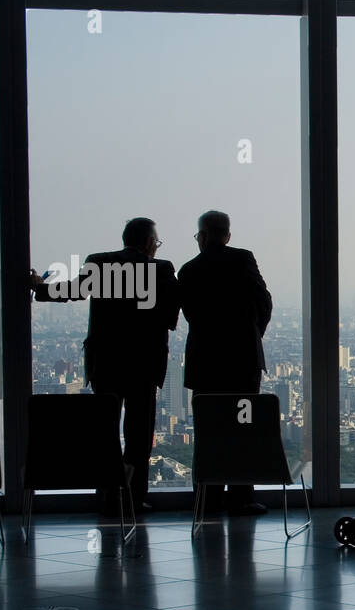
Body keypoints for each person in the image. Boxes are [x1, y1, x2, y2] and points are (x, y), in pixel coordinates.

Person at [29, 217, 181, 513]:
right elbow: (171, 313)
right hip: (143, 363)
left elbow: (73, 291)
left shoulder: (99, 263)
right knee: (139, 436)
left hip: (106, 362)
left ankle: (108, 496)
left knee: (106, 433)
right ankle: (134, 499)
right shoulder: (160, 269)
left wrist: (39, 286)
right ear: (150, 243)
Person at [177, 210, 274, 516]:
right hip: (242, 361)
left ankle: (207, 498)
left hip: (206, 362)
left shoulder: (189, 269)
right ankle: (241, 498)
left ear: (202, 236)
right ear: (227, 236)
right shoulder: (243, 259)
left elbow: (189, 312)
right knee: (242, 430)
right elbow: (264, 300)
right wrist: (252, 334)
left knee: (209, 433)